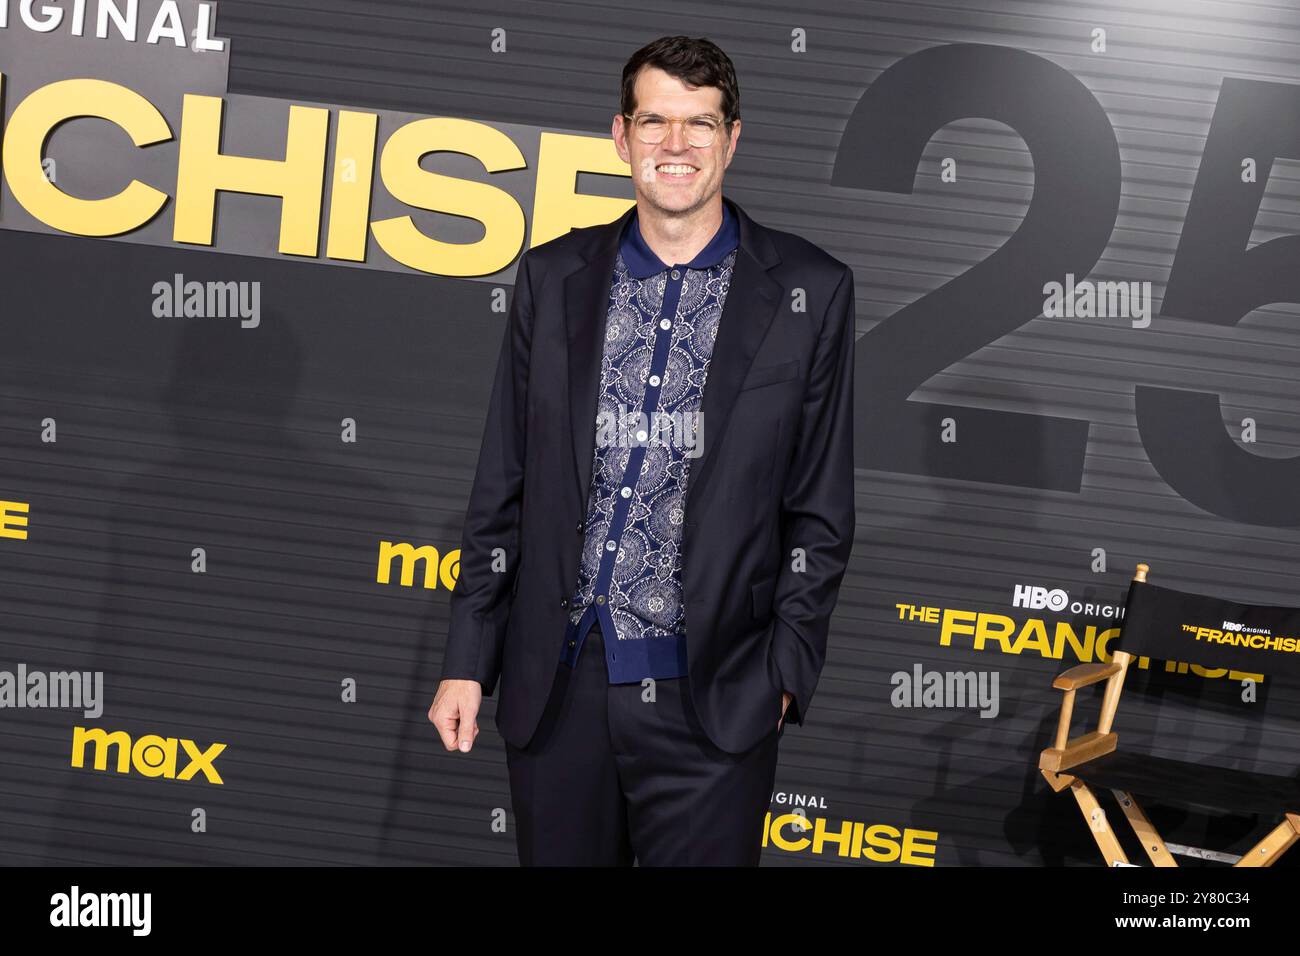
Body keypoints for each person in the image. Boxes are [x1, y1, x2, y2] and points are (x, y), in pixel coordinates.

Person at [428, 34, 856, 865]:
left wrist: (783, 672)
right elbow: (502, 482)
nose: (676, 145)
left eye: (700, 124)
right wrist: (467, 662)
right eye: (655, 121)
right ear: (620, 136)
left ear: (733, 139)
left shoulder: (811, 290)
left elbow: (821, 506)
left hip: (716, 697)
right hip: (560, 691)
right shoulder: (552, 277)